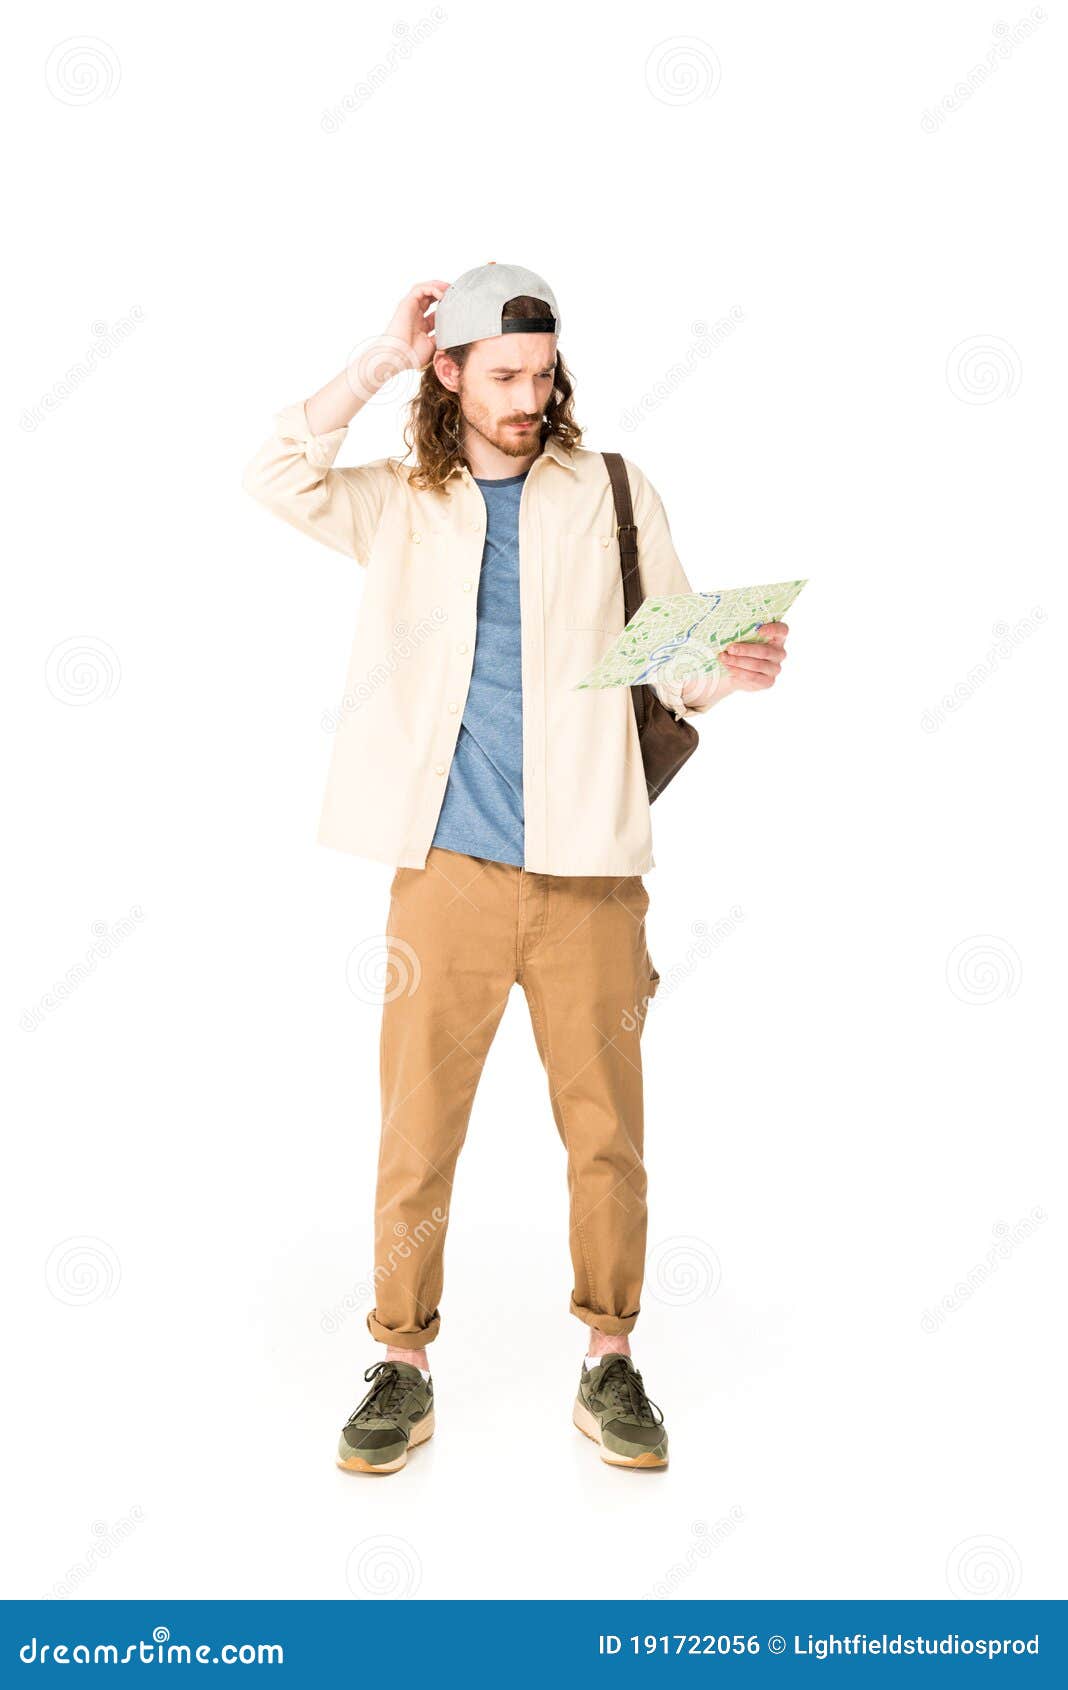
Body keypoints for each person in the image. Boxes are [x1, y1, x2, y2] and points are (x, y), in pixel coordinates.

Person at [242, 263, 789, 1474]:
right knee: (416, 1132)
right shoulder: (403, 503)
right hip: (446, 872)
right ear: (450, 374)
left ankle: (611, 1358)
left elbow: (671, 658)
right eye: (502, 376)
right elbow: (274, 471)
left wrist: (730, 666)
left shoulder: (610, 489)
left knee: (607, 1134)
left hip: (593, 869)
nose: (528, 397)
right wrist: (377, 353)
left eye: (542, 375)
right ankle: (399, 1361)